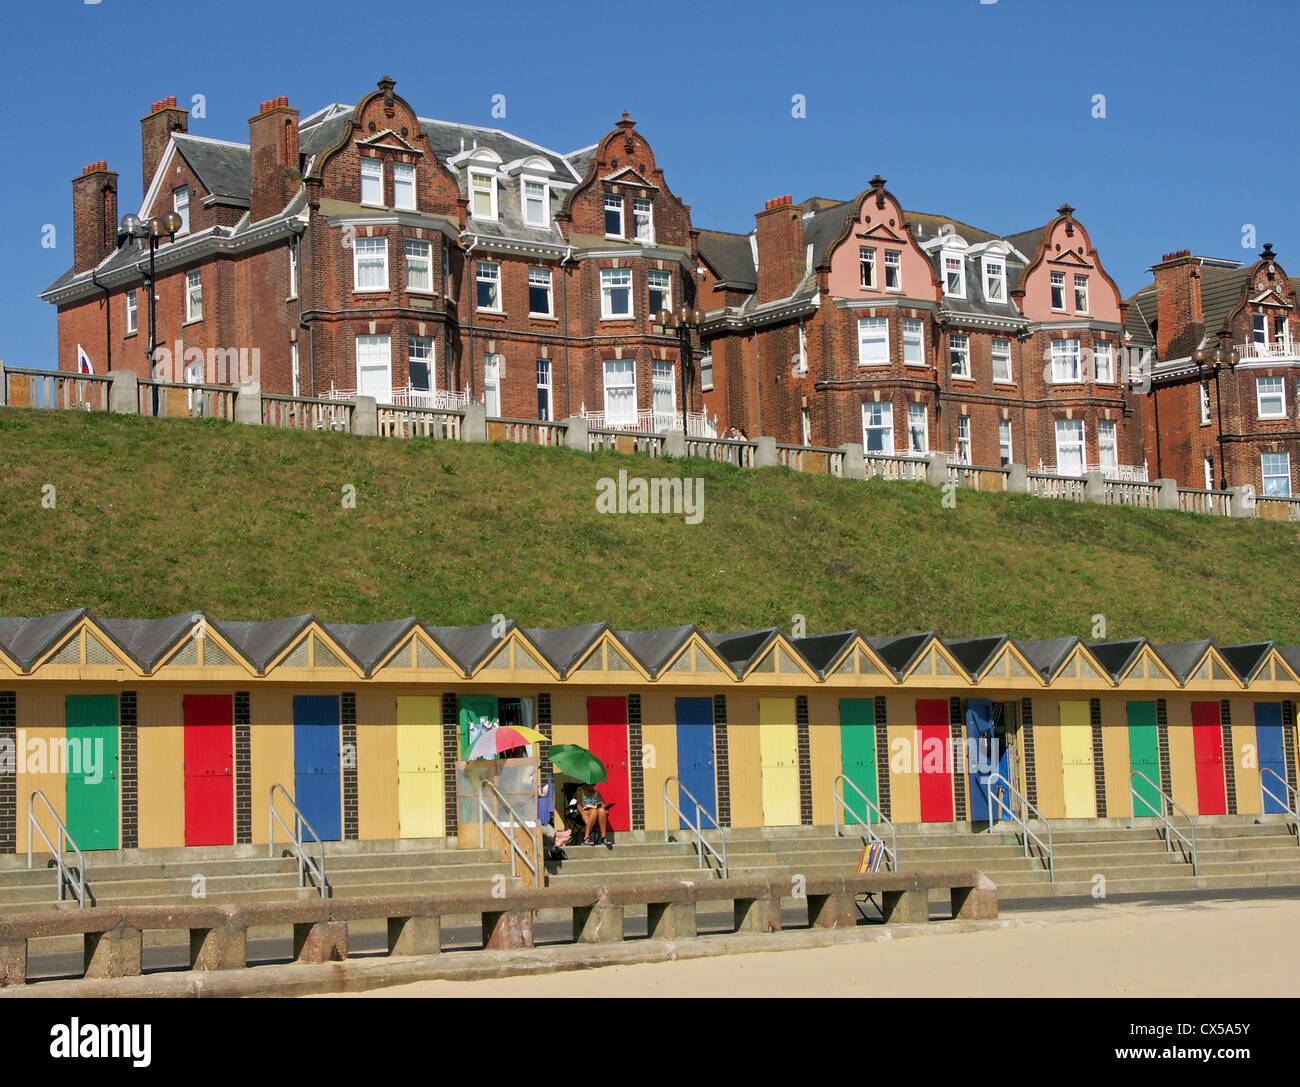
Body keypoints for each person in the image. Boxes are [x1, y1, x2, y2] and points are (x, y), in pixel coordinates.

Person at [574, 781, 612, 848]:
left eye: (594, 784)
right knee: (594, 811)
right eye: (591, 784)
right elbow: (579, 806)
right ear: (586, 784)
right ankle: (586, 837)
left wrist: (603, 805)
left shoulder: (596, 793)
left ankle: (603, 838)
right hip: (585, 811)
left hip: (595, 812)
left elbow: (602, 803)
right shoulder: (580, 792)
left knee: (602, 811)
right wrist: (582, 813)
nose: (592, 786)